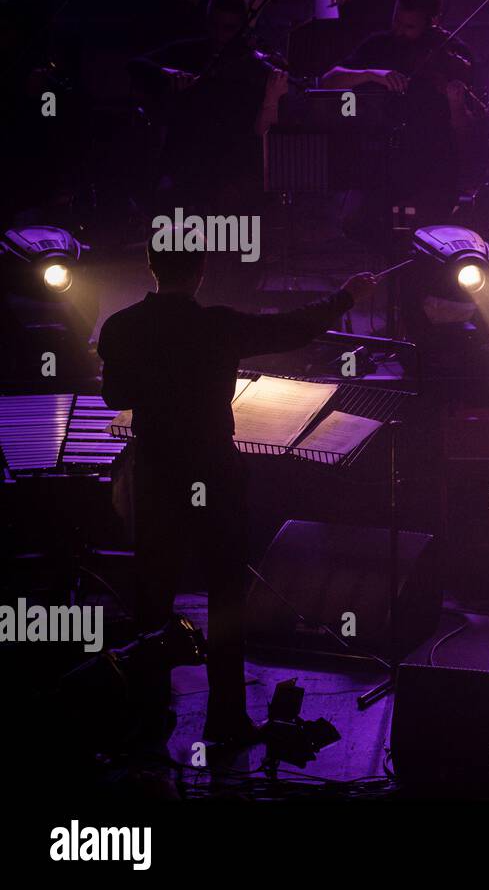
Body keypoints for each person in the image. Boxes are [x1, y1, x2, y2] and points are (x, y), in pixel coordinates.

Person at [97, 245, 376, 744]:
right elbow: (291, 328)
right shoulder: (220, 325)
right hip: (213, 466)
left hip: (157, 469)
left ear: (151, 268)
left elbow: (116, 398)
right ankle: (226, 719)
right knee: (225, 590)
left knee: (153, 591)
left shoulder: (122, 326)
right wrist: (347, 295)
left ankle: (149, 714)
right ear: (202, 272)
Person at [322, 0, 477, 221]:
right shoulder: (379, 44)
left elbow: (466, 133)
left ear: (432, 21)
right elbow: (329, 80)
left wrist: (456, 105)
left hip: (433, 162)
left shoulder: (452, 54)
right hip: (378, 158)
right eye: (396, 21)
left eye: (409, 27)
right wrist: (371, 73)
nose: (399, 31)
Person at [127, 0, 290, 207]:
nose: (221, 36)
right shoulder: (189, 52)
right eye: (215, 26)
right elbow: (135, 65)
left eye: (230, 29)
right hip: (186, 159)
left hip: (233, 163)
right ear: (207, 21)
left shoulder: (254, 63)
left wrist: (273, 94)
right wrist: (166, 73)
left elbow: (261, 131)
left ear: (242, 27)